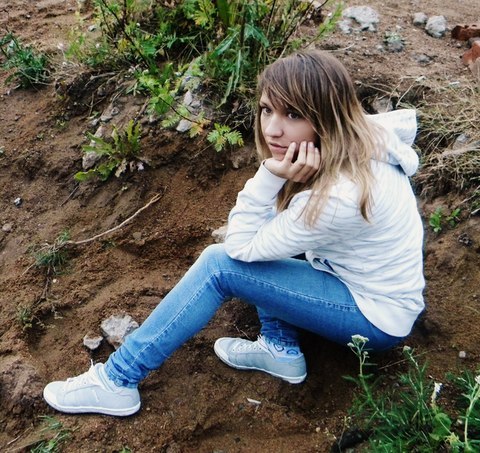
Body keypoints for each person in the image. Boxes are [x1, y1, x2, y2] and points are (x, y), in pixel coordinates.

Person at [43, 49, 425, 417]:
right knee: (272, 227)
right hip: (354, 282)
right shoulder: (355, 141)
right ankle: (279, 349)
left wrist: (269, 175)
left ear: (326, 117)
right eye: (267, 109)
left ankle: (117, 380)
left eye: (293, 114)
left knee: (218, 267)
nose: (272, 129)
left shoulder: (339, 196)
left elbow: (239, 248)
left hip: (373, 317)